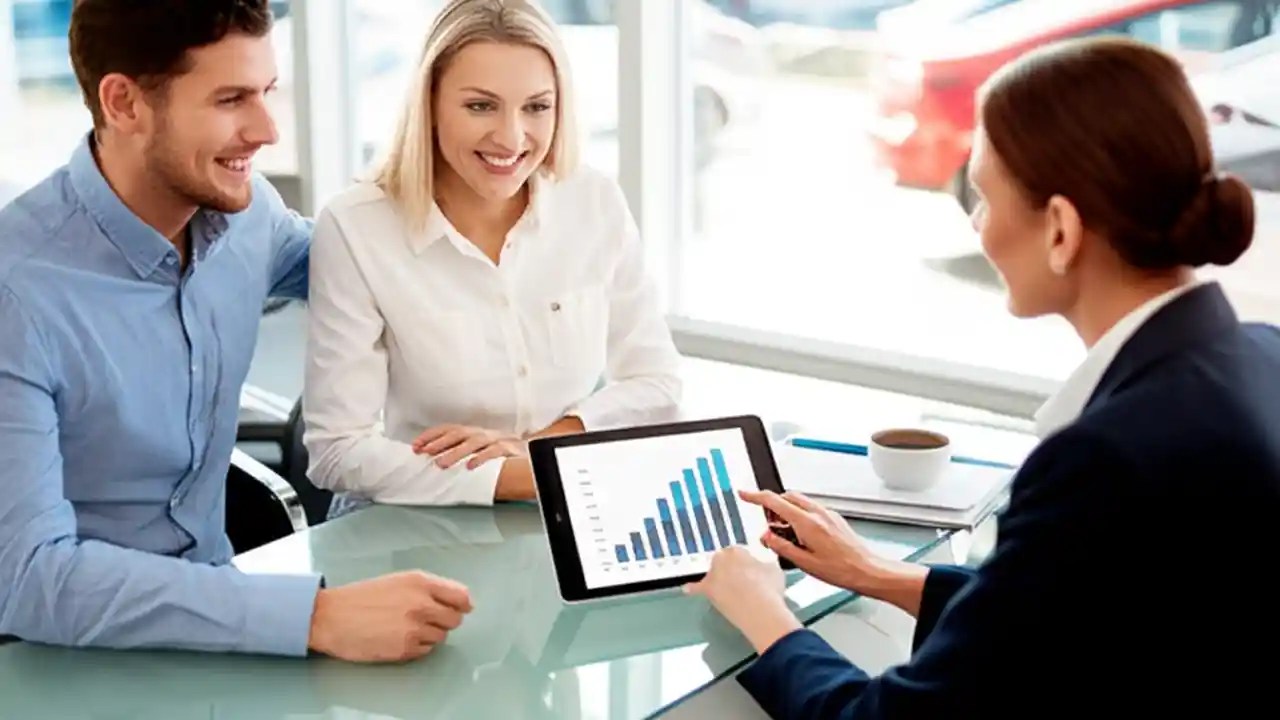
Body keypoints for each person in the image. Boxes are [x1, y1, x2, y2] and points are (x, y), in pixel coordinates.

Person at [685, 37, 1280, 717]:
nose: (976, 223)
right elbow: (1074, 608)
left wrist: (765, 616)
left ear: (1060, 229)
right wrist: (876, 574)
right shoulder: (1261, 359)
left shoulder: (1104, 460)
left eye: (985, 196)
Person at [0, 0, 471, 663]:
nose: (267, 129)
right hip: (56, 660)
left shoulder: (249, 221)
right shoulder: (16, 293)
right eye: (230, 99)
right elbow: (27, 579)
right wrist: (315, 617)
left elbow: (385, 275)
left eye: (267, 91)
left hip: (224, 636)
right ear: (123, 104)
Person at [302, 0, 682, 511]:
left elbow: (657, 385)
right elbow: (336, 450)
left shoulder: (593, 201)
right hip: (412, 518)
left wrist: (539, 448)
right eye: (480, 106)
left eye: (536, 107)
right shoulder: (356, 226)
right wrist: (517, 477)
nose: (510, 137)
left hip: (565, 501)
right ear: (429, 103)